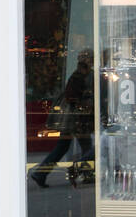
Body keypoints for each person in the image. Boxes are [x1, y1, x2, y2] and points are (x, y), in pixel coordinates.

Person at [29, 50, 94, 188]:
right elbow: (72, 97)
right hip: (74, 119)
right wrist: (84, 105)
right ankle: (85, 173)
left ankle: (40, 173)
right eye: (91, 61)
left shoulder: (78, 76)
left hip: (71, 118)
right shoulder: (79, 77)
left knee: (63, 146)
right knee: (85, 145)